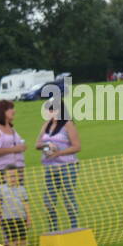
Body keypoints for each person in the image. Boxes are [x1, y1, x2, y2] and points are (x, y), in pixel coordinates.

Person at [35, 98, 82, 232]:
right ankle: (53, 229)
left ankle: (74, 227)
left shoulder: (68, 124)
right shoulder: (46, 125)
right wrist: (46, 145)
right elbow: (37, 144)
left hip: (67, 167)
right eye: (49, 109)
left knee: (68, 198)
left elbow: (77, 146)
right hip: (50, 168)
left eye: (53, 109)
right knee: (49, 200)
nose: (50, 112)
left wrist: (58, 153)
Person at [0, 99, 27, 185]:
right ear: (2, 111)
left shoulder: (11, 128)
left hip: (17, 172)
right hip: (2, 173)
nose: (14, 111)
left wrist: (22, 147)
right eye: (11, 108)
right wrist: (14, 149)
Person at [0, 167, 32, 246]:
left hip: (21, 217)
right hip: (7, 218)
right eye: (10, 176)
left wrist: (29, 218)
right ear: (4, 178)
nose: (13, 179)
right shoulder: (1, 188)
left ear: (19, 177)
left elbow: (26, 204)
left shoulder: (22, 189)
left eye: (15, 176)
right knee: (12, 239)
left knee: (23, 238)